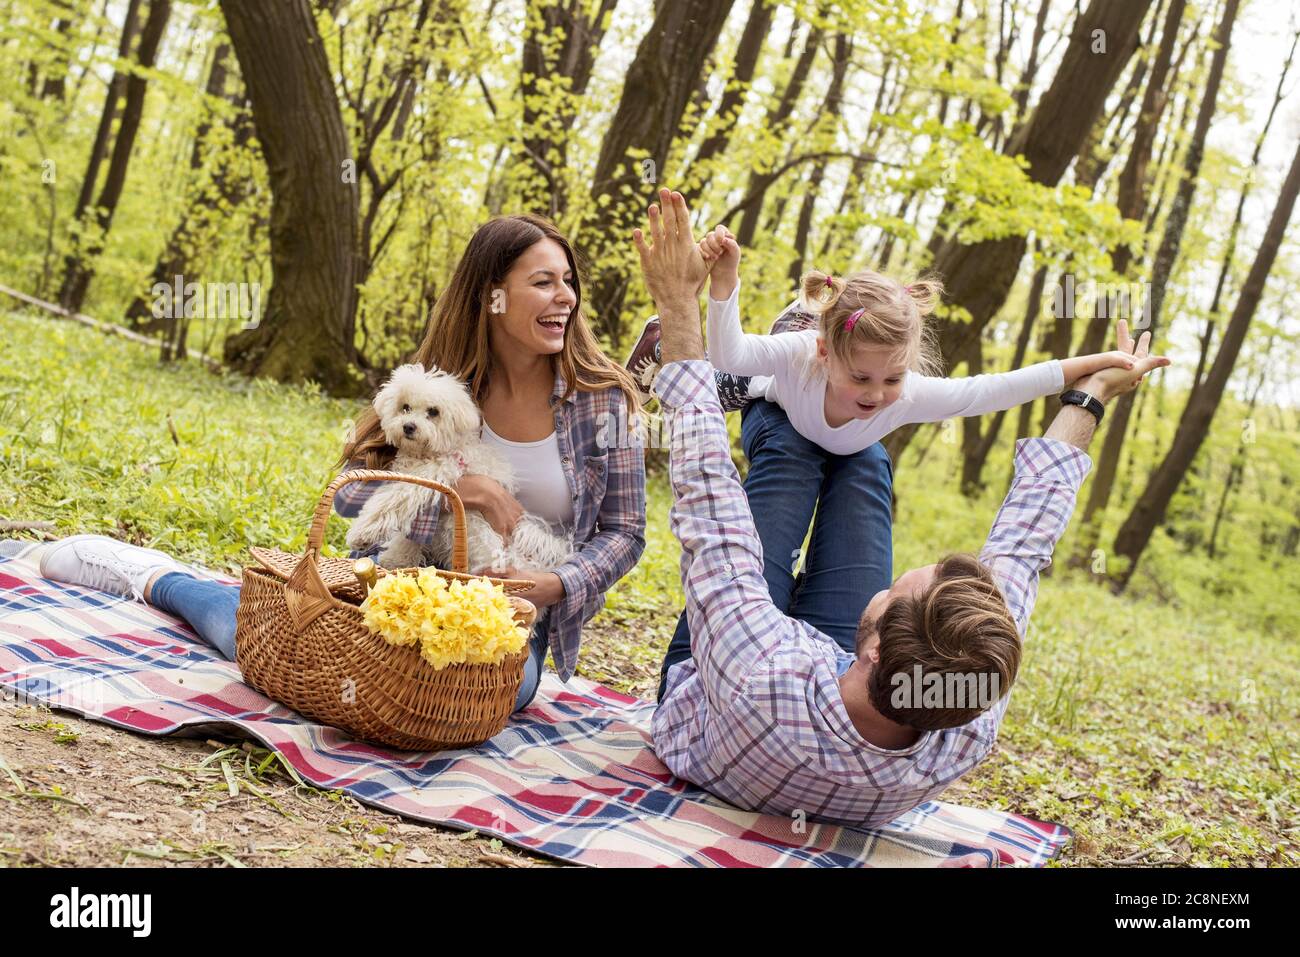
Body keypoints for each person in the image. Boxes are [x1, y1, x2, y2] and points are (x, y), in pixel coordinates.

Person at [634, 187, 1169, 826]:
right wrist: (1090, 395)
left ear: (877, 649)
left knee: (796, 465)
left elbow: (709, 503)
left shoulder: (751, 669)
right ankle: (817, 438)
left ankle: (788, 432)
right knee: (862, 463)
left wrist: (677, 304)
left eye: (896, 593)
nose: (889, 584)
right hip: (843, 691)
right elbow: (1023, 547)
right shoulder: (967, 703)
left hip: (721, 692)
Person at [16, 215, 646, 713]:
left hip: (509, 620)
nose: (564, 297)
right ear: (493, 297)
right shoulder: (433, 391)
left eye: (567, 281)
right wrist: (462, 493)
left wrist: (556, 585)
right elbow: (350, 498)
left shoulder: (604, 402)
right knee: (291, 657)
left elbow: (625, 533)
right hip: (392, 584)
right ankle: (156, 580)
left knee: (470, 696)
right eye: (543, 282)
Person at [631, 222, 1136, 699]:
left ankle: (805, 637)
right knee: (792, 456)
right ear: (828, 353)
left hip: (850, 442)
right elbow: (731, 354)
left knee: (865, 462)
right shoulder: (803, 353)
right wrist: (724, 285)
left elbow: (993, 389)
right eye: (863, 378)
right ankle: (670, 341)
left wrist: (1098, 368)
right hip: (778, 407)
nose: (877, 393)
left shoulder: (908, 393)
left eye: (891, 379)